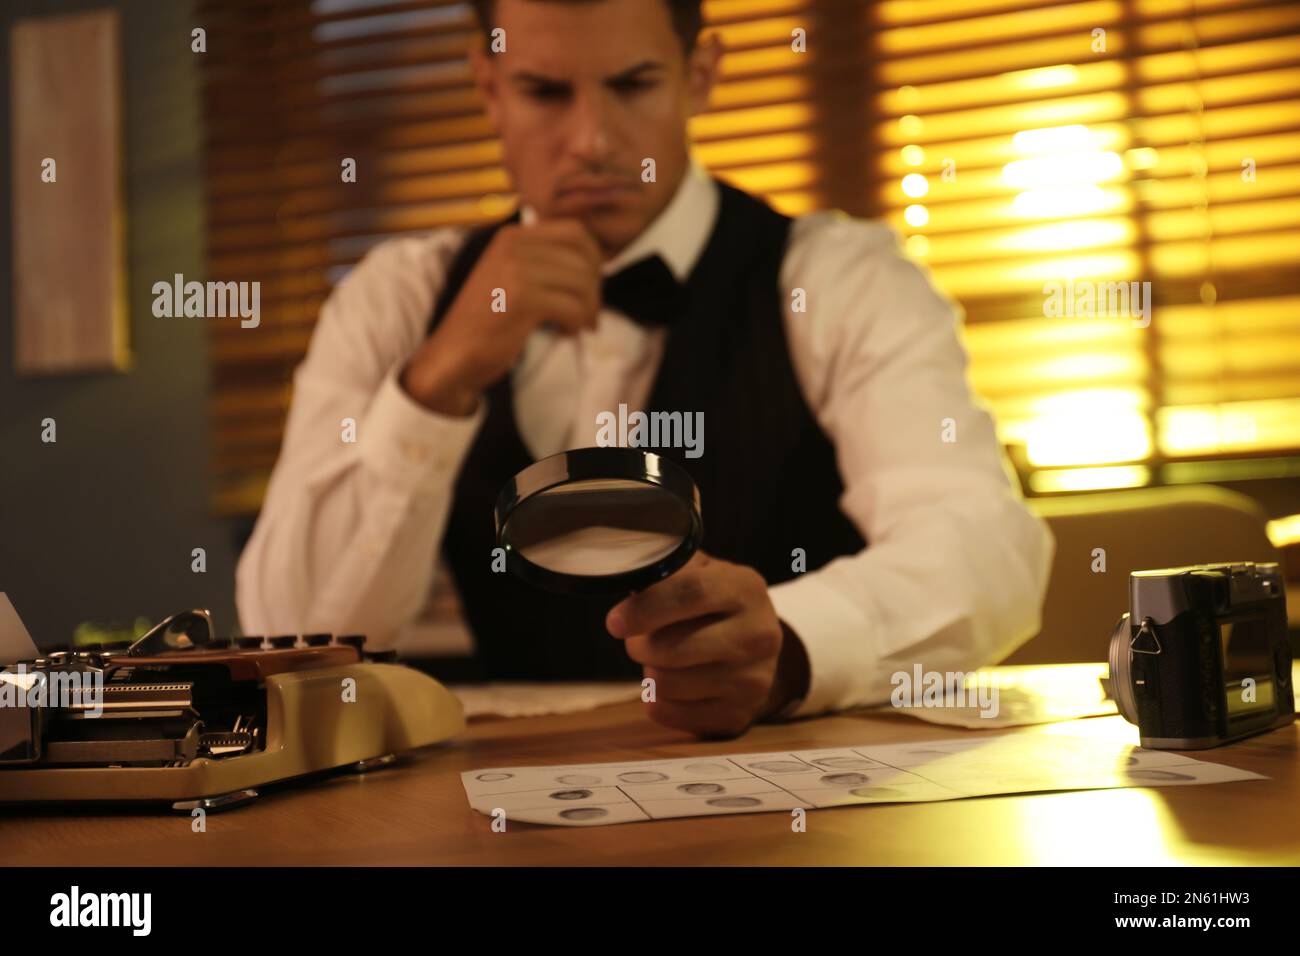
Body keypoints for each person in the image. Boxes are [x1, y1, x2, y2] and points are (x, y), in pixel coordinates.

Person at [237, 0, 1054, 737]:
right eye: (544, 92)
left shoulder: (840, 278)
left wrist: (796, 643)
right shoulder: (398, 302)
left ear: (700, 77)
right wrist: (436, 382)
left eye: (633, 85)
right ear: (486, 86)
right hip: (502, 815)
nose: (593, 141)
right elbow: (293, 630)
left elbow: (986, 547)